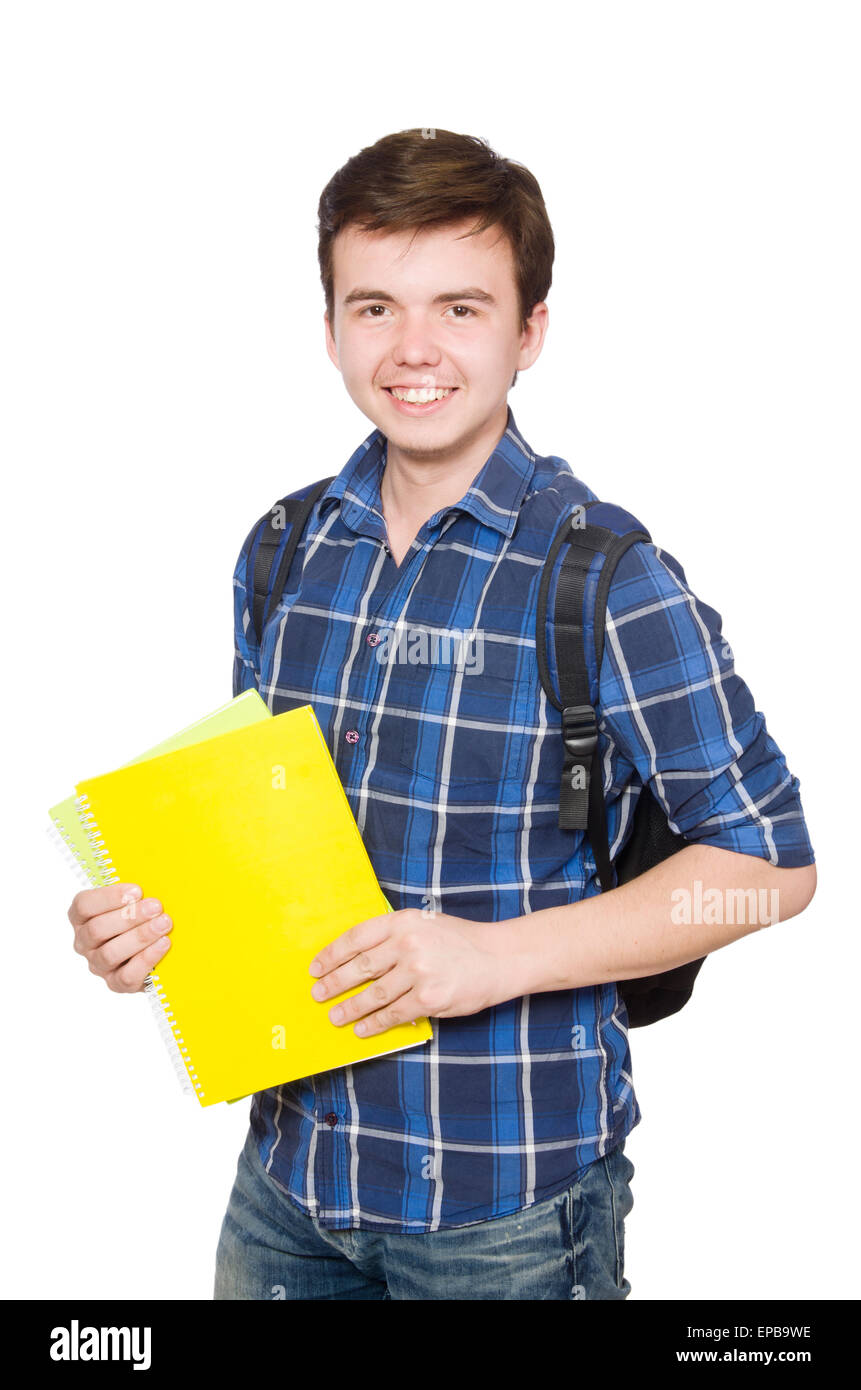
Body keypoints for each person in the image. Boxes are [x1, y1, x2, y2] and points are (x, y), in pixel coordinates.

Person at [67, 128, 817, 1301]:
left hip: (505, 1213)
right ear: (330, 330)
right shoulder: (283, 548)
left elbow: (770, 867)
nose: (412, 348)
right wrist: (153, 932)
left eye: (460, 309)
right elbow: (265, 850)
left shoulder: (605, 577)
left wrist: (491, 958)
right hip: (288, 1187)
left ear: (529, 332)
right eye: (374, 307)